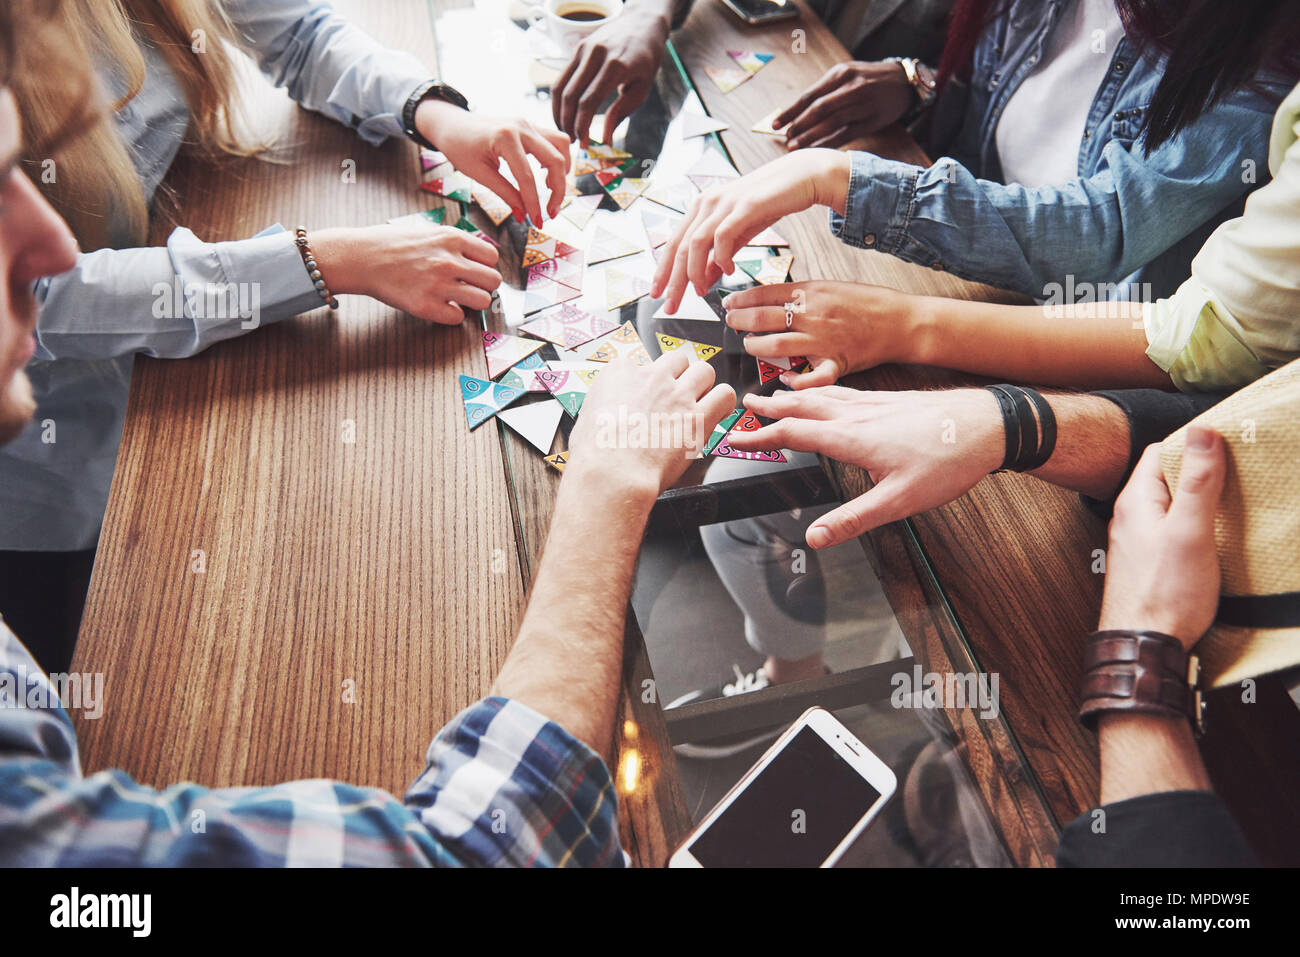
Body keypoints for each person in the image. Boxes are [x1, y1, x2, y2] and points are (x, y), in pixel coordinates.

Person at [0, 15, 737, 860]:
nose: (53, 240)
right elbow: (477, 850)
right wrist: (608, 482)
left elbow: (299, 35)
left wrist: (437, 112)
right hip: (58, 496)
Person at [0, 0, 574, 677]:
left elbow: (298, 34)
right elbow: (44, 290)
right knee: (100, 679)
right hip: (49, 468)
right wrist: (327, 260)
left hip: (175, 387)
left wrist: (437, 114)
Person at [653, 0, 1298, 314]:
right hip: (959, 282)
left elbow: (1100, 233)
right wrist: (920, 85)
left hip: (1065, 345)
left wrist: (838, 177)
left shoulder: (1258, 72)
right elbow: (1006, 129)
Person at [714, 75, 1300, 396]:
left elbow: (1202, 330)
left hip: (1096, 368)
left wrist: (906, 324)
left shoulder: (1260, 78)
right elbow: (1005, 109)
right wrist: (920, 82)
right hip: (1007, 313)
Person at [548, 0, 954, 148]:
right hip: (776, 75)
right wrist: (649, 9)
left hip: (892, 150)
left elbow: (997, 104)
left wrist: (918, 80)